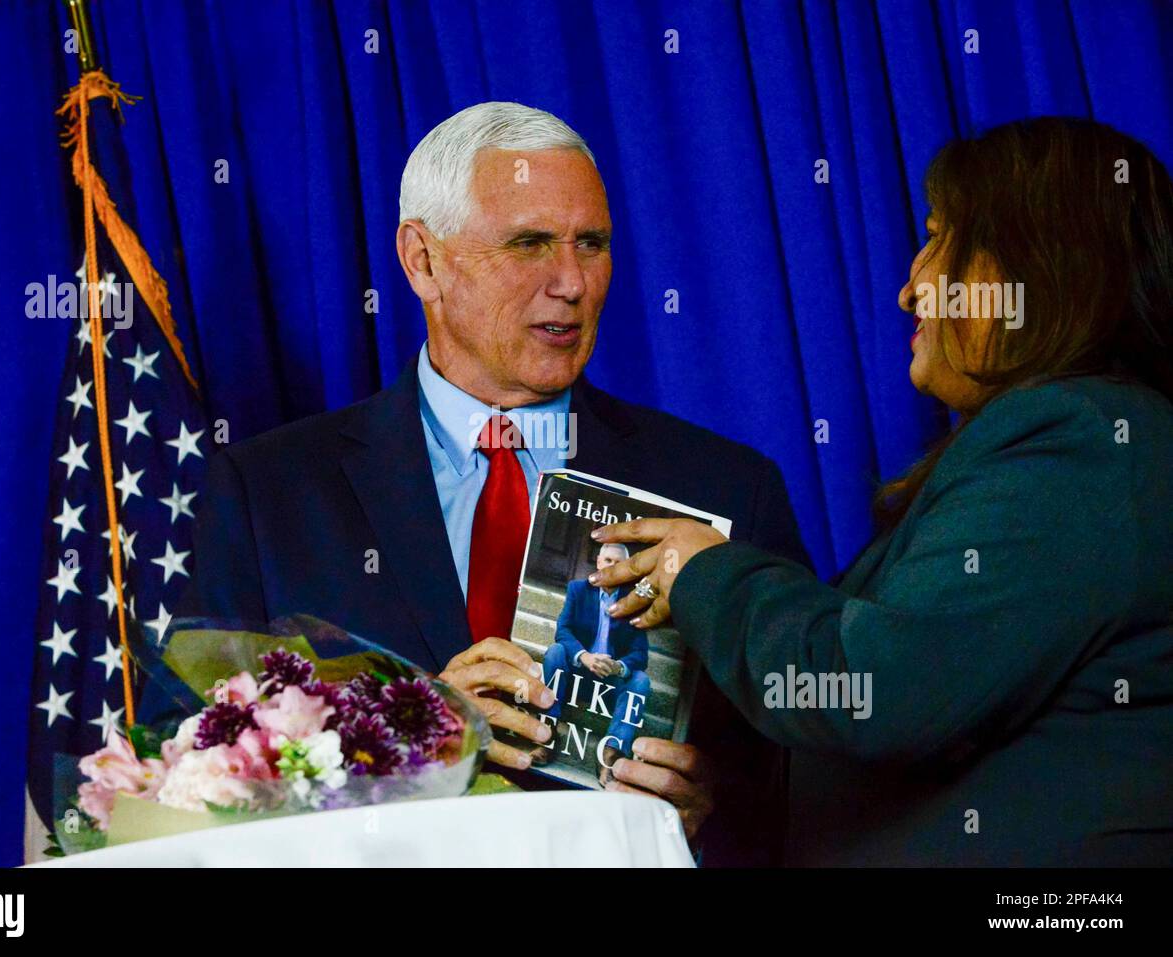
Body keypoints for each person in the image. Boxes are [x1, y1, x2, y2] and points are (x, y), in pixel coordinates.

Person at [180, 102, 809, 861]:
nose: (572, 282)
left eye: (593, 243)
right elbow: (190, 774)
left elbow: (813, 768)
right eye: (531, 243)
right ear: (423, 261)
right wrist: (406, 744)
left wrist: (716, 801)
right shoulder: (267, 494)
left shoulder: (726, 486)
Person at [591, 116, 1173, 866]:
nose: (910, 289)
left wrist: (698, 568)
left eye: (938, 238)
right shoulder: (1078, 440)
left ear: (1029, 266)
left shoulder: (1081, 439)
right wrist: (715, 792)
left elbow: (866, 688)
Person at [540, 543, 652, 785]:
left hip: (609, 685)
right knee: (556, 652)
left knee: (640, 680)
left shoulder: (634, 601)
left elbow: (640, 653)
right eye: (608, 560)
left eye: (618, 563)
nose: (612, 566)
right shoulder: (578, 590)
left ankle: (611, 754)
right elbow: (563, 630)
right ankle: (548, 733)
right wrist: (584, 656)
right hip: (575, 677)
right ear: (599, 562)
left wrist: (618, 667)